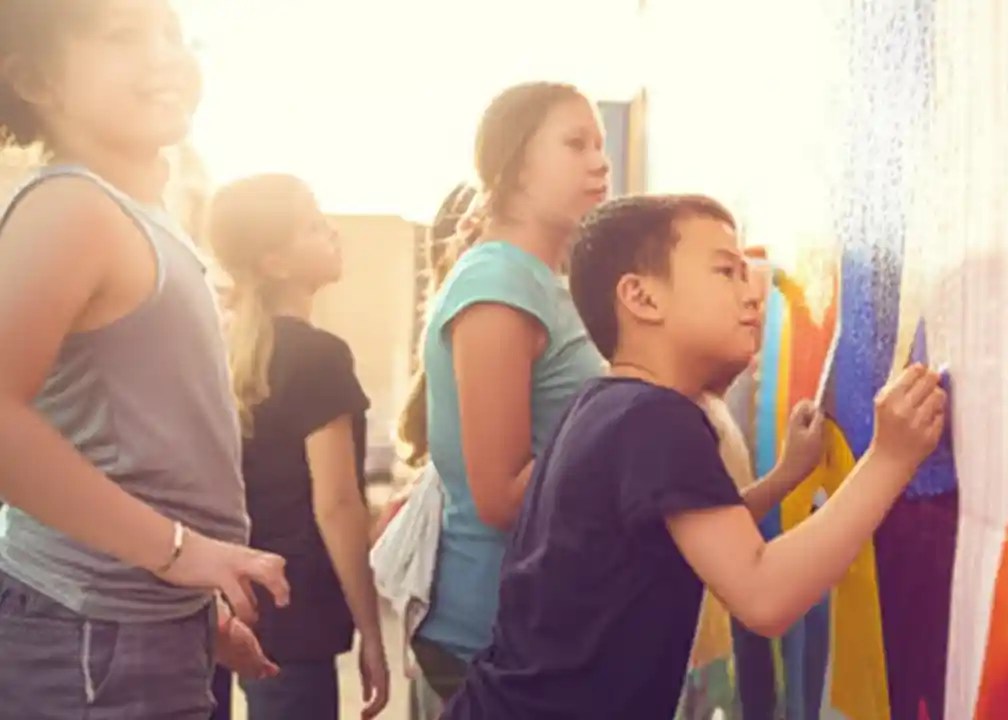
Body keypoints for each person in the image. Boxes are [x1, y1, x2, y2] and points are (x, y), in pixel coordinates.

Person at [442, 194, 947, 719]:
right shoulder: (656, 420)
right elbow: (764, 596)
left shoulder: (601, 407)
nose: (752, 294)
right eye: (725, 271)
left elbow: (684, 537)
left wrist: (785, 477)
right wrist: (889, 459)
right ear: (641, 297)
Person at [0, 1, 289, 717]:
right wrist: (180, 553)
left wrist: (193, 603)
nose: (165, 56)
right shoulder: (72, 209)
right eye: (124, 37)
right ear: (38, 80)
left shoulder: (140, 217)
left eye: (170, 32)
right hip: (90, 626)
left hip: (138, 620)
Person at [412, 82, 610, 701]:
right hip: (494, 640)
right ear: (516, 163)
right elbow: (499, 495)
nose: (601, 163)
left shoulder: (542, 281)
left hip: (545, 629)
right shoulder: (499, 279)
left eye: (601, 145)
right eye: (576, 144)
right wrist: (638, 398)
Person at [207, 174, 390, 720]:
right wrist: (372, 634)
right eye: (312, 225)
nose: (332, 232)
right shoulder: (317, 355)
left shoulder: (224, 351)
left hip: (222, 594)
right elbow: (335, 504)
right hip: (294, 607)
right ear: (274, 263)